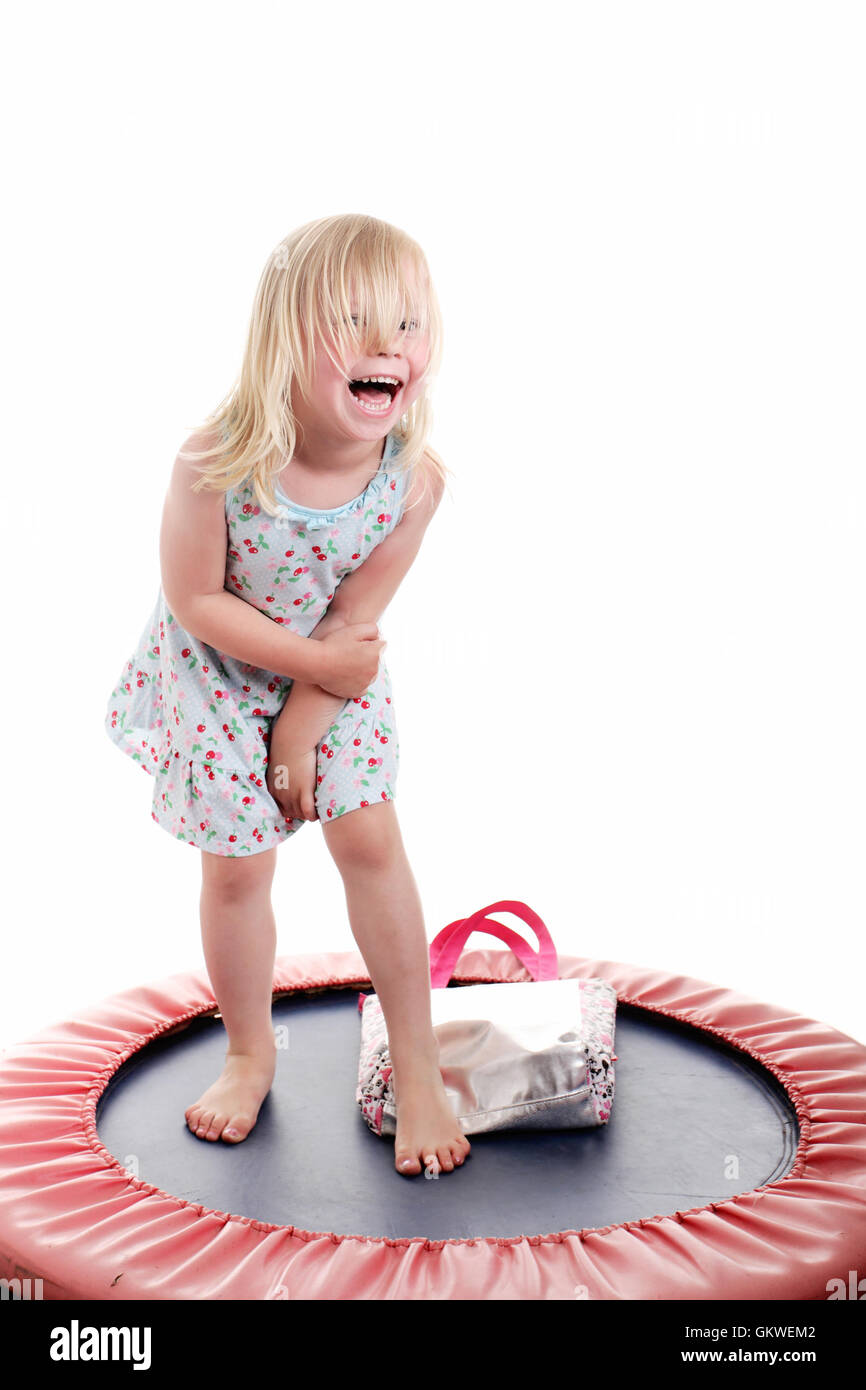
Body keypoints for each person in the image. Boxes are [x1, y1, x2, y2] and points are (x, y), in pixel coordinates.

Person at [104, 213, 471, 1178]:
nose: (390, 342)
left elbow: (355, 617)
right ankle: (248, 1051)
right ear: (285, 341)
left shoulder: (413, 484)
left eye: (408, 323)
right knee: (238, 866)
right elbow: (196, 599)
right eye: (354, 320)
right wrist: (283, 714)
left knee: (369, 838)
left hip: (331, 668)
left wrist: (308, 720)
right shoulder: (217, 461)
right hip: (219, 671)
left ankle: (421, 1065)